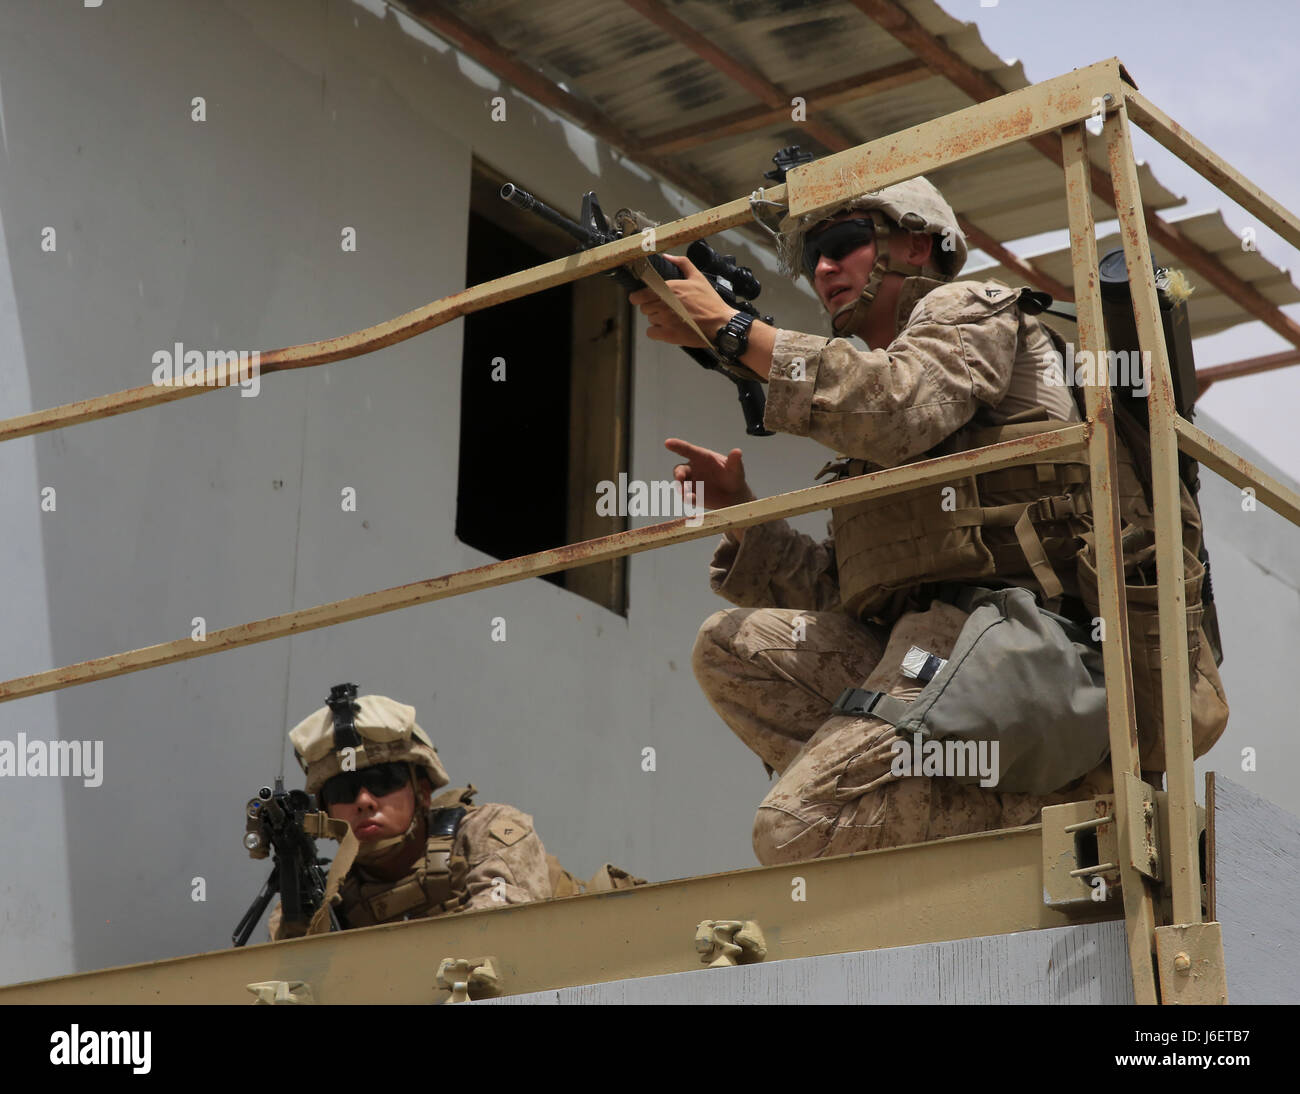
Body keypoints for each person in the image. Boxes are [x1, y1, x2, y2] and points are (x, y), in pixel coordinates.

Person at [629, 176, 1227, 865]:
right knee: (730, 645)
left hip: (1031, 652)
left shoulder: (969, 308)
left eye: (842, 243)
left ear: (916, 244)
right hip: (931, 654)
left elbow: (896, 406)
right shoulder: (880, 418)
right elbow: (849, 599)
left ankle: (1075, 802)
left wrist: (734, 328)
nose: (822, 268)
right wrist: (744, 521)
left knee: (791, 829)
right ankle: (905, 807)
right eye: (811, 257)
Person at [269, 686, 633, 940]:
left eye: (383, 781)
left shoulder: (485, 833)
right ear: (325, 811)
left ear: (423, 791)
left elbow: (505, 933)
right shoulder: (326, 897)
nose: (364, 801)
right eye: (343, 791)